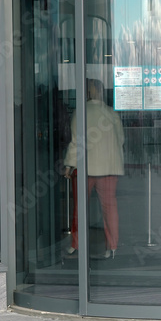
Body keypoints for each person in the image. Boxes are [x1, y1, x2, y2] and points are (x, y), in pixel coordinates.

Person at [63, 78, 125, 260]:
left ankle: (76, 245)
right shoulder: (111, 113)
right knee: (110, 208)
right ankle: (112, 247)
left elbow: (76, 141)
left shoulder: (80, 111)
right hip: (109, 168)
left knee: (80, 209)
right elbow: (121, 139)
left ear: (88, 92)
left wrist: (69, 164)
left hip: (85, 168)